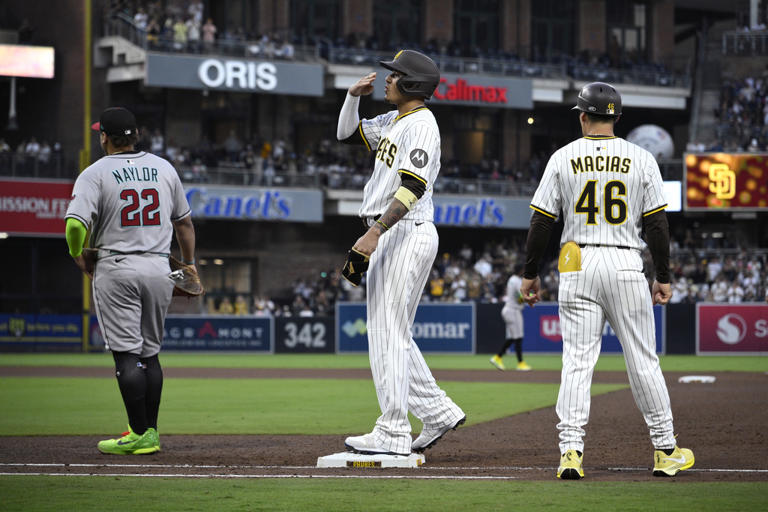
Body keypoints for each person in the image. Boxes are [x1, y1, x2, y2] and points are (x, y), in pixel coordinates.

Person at [519, 82, 694, 479]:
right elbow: (658, 225)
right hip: (625, 261)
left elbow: (541, 222)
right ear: (616, 118)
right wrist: (662, 276)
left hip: (576, 260)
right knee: (643, 360)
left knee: (577, 362)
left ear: (583, 116)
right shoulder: (641, 157)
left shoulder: (563, 157)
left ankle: (570, 452)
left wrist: (530, 273)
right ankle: (665, 450)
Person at [336, 50, 465, 456]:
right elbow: (346, 133)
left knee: (388, 333)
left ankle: (392, 430)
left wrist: (375, 233)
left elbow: (413, 187)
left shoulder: (423, 124)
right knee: (391, 333)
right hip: (394, 230)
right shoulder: (395, 120)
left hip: (403, 229)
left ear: (412, 84)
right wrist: (351, 96)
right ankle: (438, 411)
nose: (388, 79)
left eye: (395, 75)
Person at [65, 107, 196, 455]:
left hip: (117, 267)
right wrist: (189, 265)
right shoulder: (164, 168)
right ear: (135, 135)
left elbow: (75, 225)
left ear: (104, 136)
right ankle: (149, 432)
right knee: (150, 355)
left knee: (127, 356)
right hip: (158, 268)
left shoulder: (94, 173)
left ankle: (138, 433)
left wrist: (78, 255)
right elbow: (184, 224)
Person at [490, 263, 532, 371]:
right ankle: (519, 363)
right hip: (513, 310)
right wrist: (533, 296)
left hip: (510, 309)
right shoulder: (516, 280)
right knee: (518, 337)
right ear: (520, 270)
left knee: (515, 337)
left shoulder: (512, 279)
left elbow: (519, 297)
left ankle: (498, 357)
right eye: (523, 269)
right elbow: (522, 296)